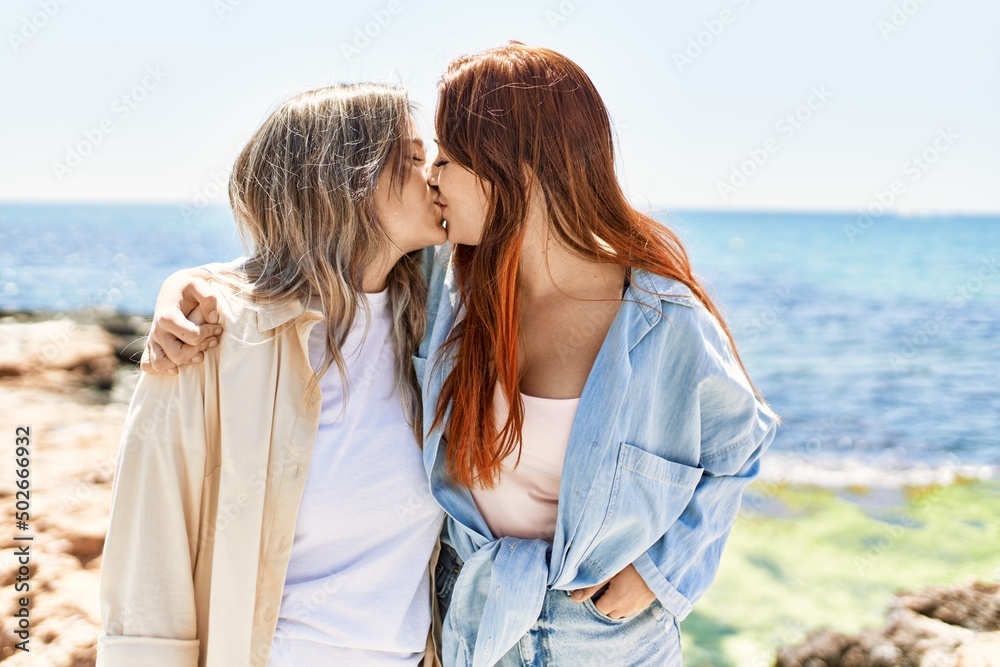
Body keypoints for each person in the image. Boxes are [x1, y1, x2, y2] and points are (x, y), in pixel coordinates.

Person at [145, 42, 780, 667]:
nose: (431, 177)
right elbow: (316, 257)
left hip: (612, 641)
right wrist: (190, 288)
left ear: (517, 168)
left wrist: (664, 572)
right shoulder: (441, 288)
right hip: (466, 627)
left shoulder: (660, 319)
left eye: (447, 158)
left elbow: (737, 449)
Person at [98, 83, 447, 667]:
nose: (435, 173)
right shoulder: (209, 339)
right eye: (412, 159)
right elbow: (148, 554)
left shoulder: (438, 317)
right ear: (346, 182)